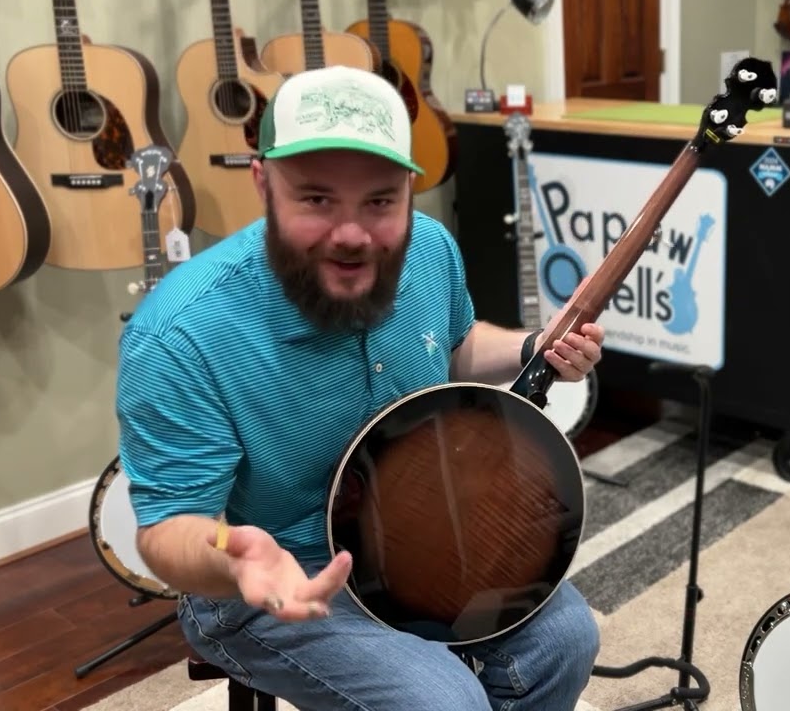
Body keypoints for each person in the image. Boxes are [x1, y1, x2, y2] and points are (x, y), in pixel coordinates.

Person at [116, 64, 604, 710]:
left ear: (408, 187)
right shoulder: (181, 334)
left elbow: (455, 347)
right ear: (263, 183)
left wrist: (530, 346)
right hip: (277, 579)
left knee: (567, 638)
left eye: (379, 201)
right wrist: (235, 558)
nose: (351, 234)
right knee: (443, 703)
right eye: (316, 199)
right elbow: (168, 529)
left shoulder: (428, 247)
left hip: (424, 530)